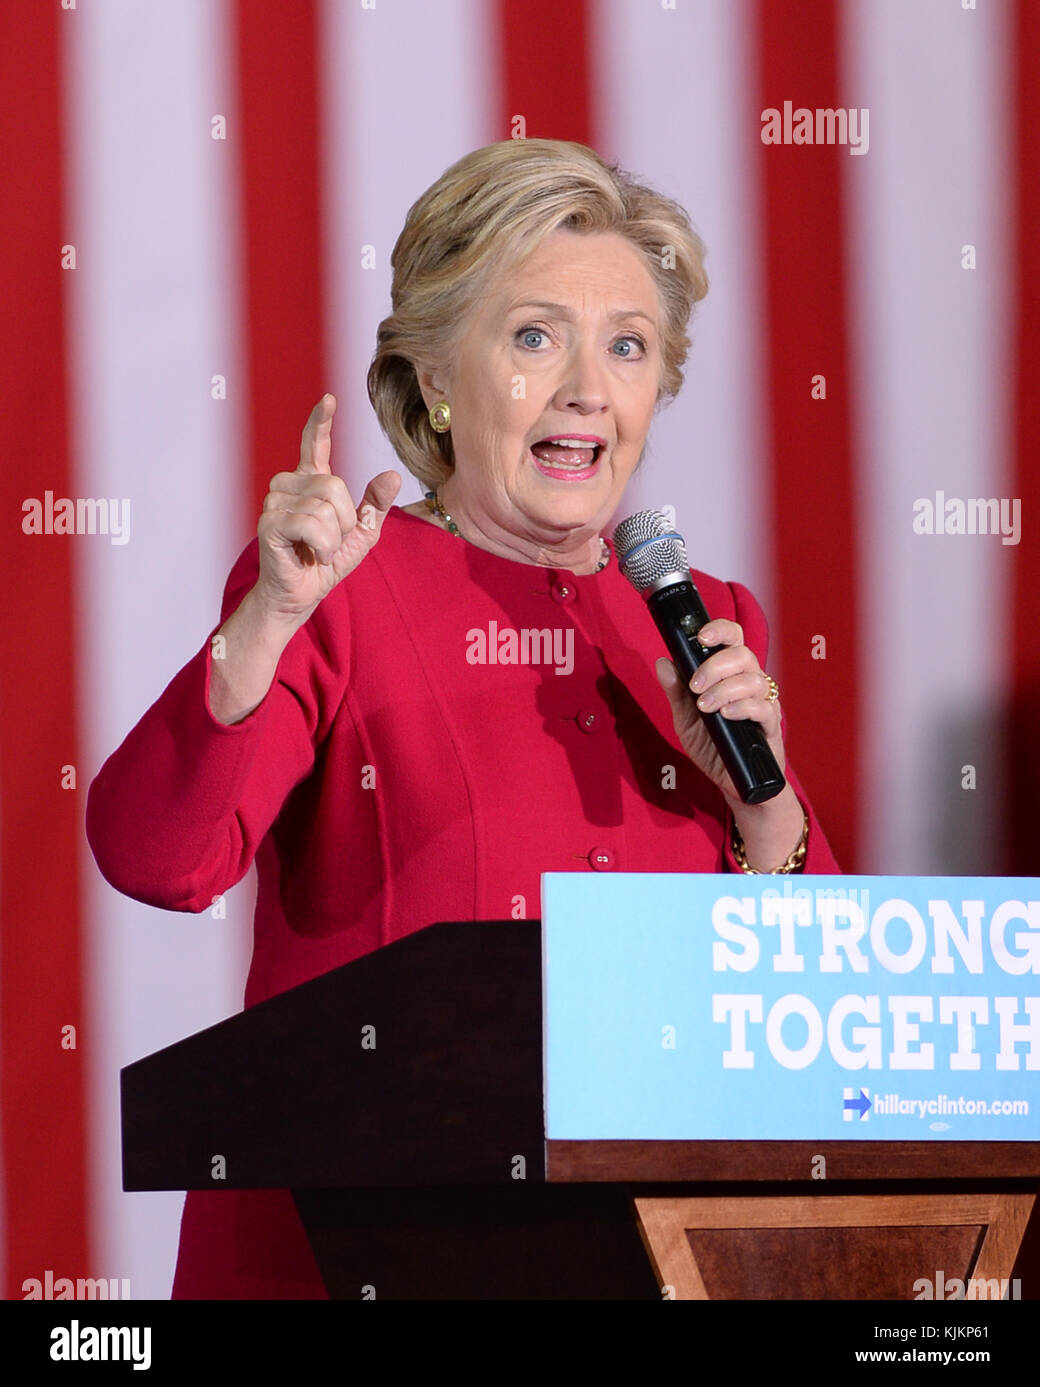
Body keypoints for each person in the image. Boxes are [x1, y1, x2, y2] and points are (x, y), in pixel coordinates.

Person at [86, 138, 840, 1299]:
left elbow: (831, 1023)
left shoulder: (703, 624)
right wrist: (261, 626)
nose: (588, 385)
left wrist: (764, 804)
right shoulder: (340, 588)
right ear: (436, 377)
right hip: (353, 1249)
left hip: (645, 1252)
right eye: (535, 336)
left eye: (627, 346)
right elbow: (159, 859)